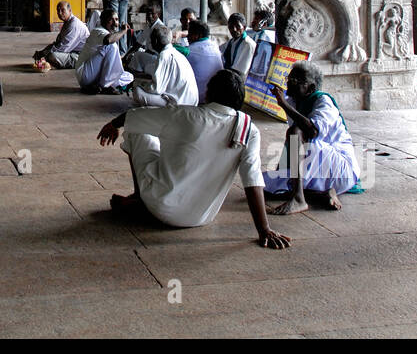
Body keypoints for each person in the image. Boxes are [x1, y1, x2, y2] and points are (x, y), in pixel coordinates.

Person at [97, 68, 291, 248]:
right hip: (202, 216)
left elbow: (134, 116)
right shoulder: (249, 129)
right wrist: (264, 229)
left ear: (208, 93)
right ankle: (143, 199)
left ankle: (141, 198)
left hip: (160, 207)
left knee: (136, 132)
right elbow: (252, 179)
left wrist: (113, 125)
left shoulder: (185, 115)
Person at [263, 60, 361, 213]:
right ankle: (321, 194)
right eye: (289, 79)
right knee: (267, 187)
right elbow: (293, 146)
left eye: (296, 80)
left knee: (295, 131)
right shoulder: (294, 102)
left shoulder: (324, 102)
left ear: (311, 88)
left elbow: (312, 132)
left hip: (339, 167)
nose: (290, 83)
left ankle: (299, 198)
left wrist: (284, 105)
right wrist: (280, 170)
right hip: (317, 161)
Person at [128, 24, 197, 107]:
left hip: (180, 104)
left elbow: (156, 89)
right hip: (190, 101)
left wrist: (139, 83)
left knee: (137, 91)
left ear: (155, 41)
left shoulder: (164, 55)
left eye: (151, 40)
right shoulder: (174, 52)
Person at [74, 9, 132, 95]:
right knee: (111, 46)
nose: (116, 23)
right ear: (107, 21)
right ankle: (105, 86)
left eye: (116, 20)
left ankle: (97, 85)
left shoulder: (108, 33)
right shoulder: (98, 31)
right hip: (85, 74)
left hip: (93, 74)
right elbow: (108, 40)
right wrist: (123, 31)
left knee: (129, 77)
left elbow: (109, 60)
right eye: (113, 19)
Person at [33, 1, 90, 70]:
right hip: (72, 52)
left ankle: (55, 64)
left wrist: (44, 56)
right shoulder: (67, 22)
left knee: (52, 56)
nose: (60, 13)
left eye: (63, 10)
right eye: (58, 10)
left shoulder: (73, 24)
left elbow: (63, 48)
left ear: (70, 11)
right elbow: (57, 43)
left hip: (80, 56)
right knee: (50, 51)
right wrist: (42, 52)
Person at [184, 19, 224, 101]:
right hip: (216, 96)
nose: (187, 36)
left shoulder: (192, 50)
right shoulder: (215, 46)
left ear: (198, 35)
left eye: (190, 33)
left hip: (199, 98)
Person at [124, 3, 167, 77]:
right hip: (149, 54)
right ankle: (133, 76)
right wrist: (126, 56)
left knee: (137, 56)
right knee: (134, 54)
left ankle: (134, 77)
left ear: (158, 14)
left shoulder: (160, 27)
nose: (149, 16)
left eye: (153, 14)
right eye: (148, 13)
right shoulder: (149, 26)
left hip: (157, 58)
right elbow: (138, 43)